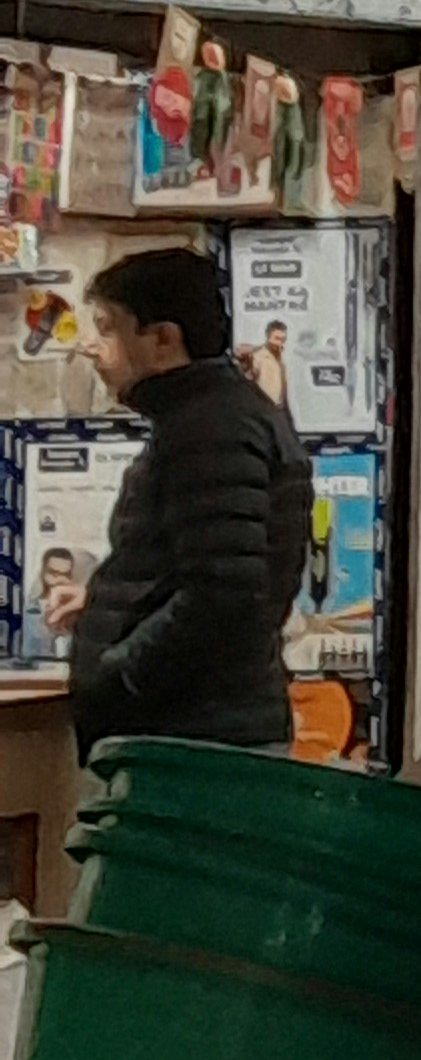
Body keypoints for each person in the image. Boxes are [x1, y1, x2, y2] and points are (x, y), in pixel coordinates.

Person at [61, 245, 317, 756]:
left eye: (109, 328)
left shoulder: (211, 427)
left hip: (194, 737)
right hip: (203, 725)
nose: (91, 347)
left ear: (163, 338)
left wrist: (120, 672)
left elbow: (224, 594)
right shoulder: (213, 415)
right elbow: (209, 561)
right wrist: (108, 606)